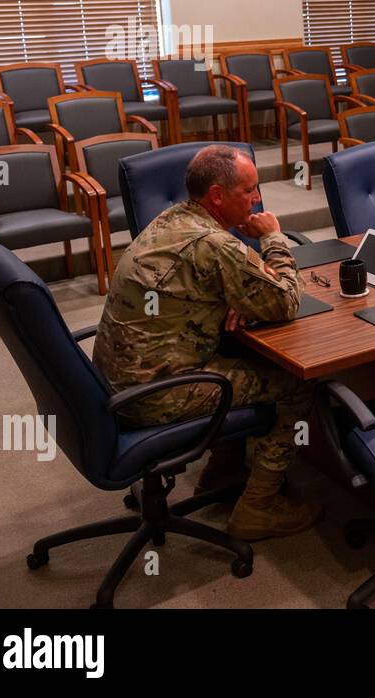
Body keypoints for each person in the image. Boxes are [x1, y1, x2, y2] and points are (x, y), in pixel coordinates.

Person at [92, 145, 320, 541]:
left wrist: (236, 300)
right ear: (217, 195)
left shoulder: (171, 220)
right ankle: (258, 508)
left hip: (117, 380)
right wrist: (274, 237)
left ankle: (221, 473)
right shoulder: (215, 245)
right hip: (156, 393)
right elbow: (286, 300)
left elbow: (206, 287)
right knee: (293, 383)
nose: (257, 199)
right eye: (249, 190)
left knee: (236, 352)